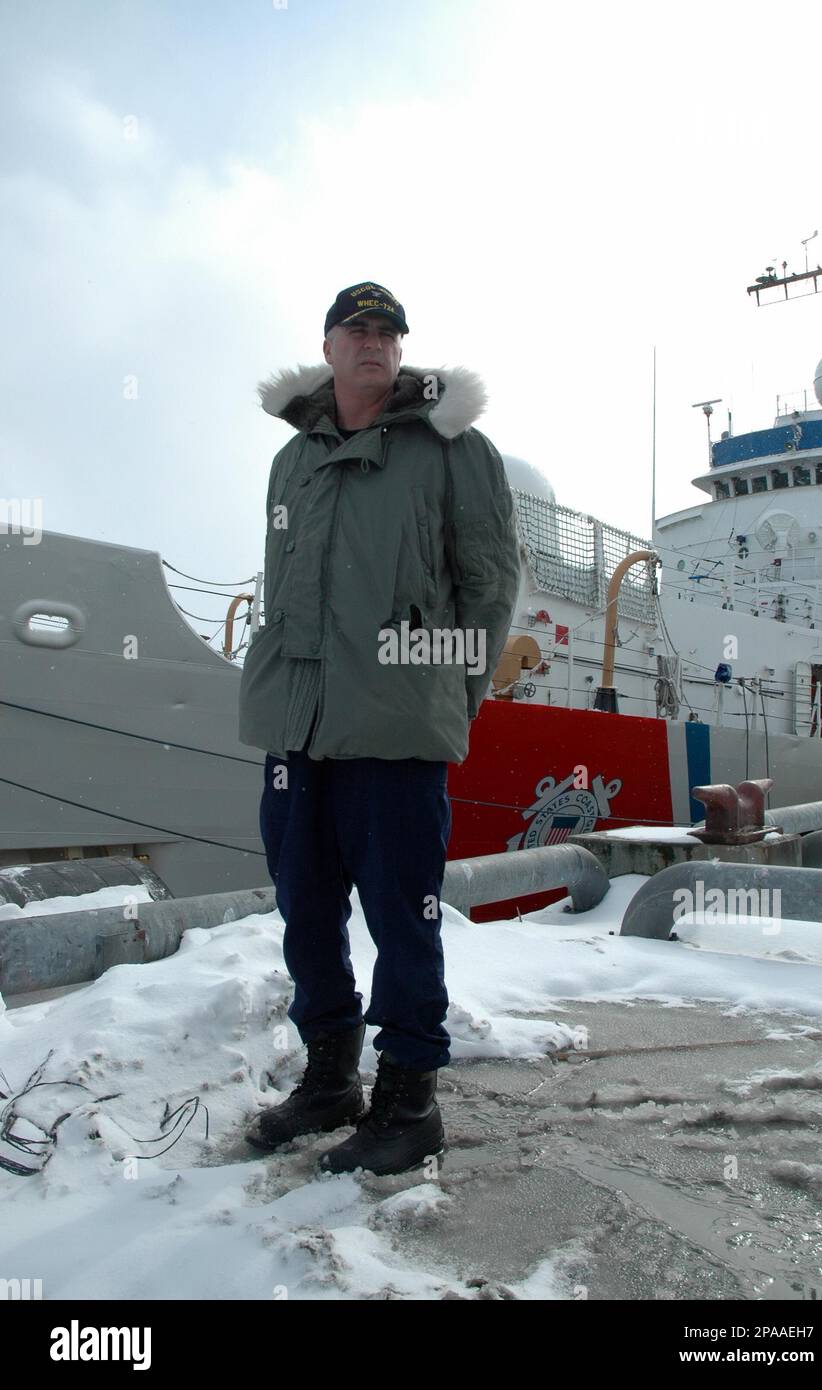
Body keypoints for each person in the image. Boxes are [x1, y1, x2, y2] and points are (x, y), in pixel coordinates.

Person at [237, 281, 521, 1175]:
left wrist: (449, 693)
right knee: (304, 903)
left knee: (403, 914)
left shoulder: (453, 448)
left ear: (402, 351)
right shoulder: (293, 461)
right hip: (298, 724)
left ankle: (410, 1100)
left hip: (397, 720)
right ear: (327, 347)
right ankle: (331, 1077)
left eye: (389, 331)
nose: (374, 341)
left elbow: (488, 581)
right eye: (357, 328)